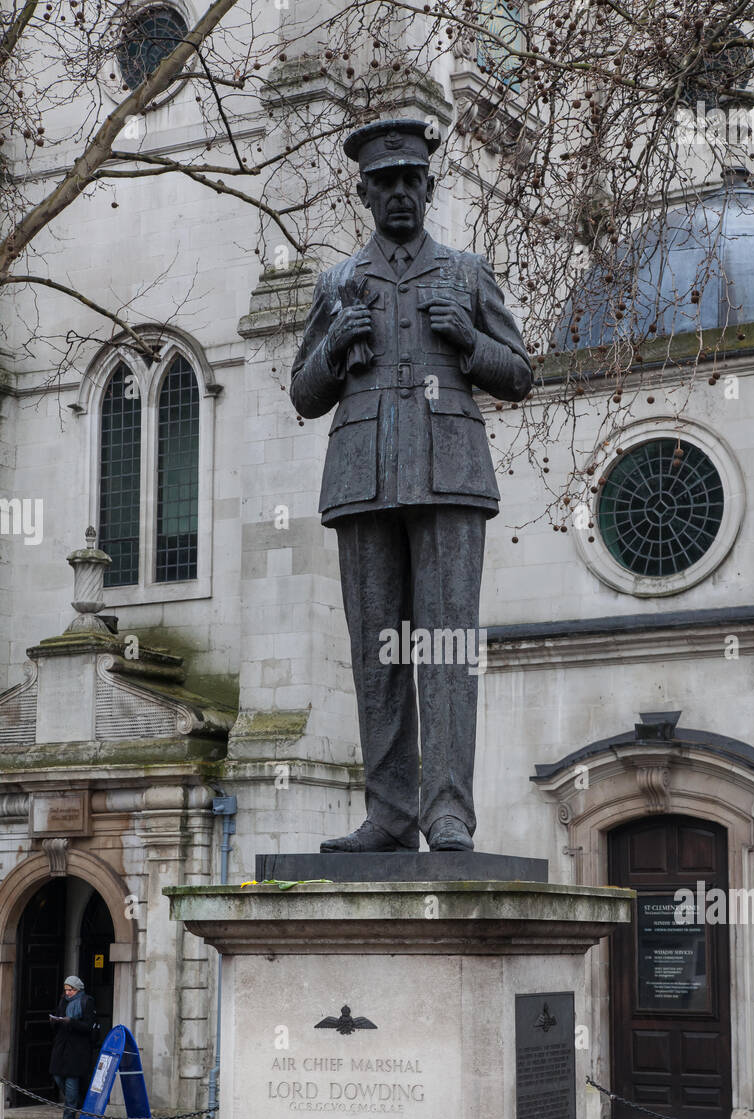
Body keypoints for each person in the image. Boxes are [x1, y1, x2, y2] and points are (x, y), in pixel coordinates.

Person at [290, 118, 532, 854]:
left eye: (410, 180)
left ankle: (448, 812)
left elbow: (520, 375)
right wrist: (333, 346)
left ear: (429, 187)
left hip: (450, 477)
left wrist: (469, 339)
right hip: (362, 484)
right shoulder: (336, 284)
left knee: (447, 649)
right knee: (377, 657)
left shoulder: (467, 273)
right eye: (383, 182)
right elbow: (303, 394)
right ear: (364, 193)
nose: (398, 193)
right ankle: (389, 813)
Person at [49, 975, 96, 1119]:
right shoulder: (63, 1001)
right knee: (57, 1076)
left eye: (70, 990)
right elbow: (58, 1016)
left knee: (71, 1081)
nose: (67, 992)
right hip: (61, 1045)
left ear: (78, 989)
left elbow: (88, 1026)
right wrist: (54, 1021)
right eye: (66, 989)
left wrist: (72, 1022)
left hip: (77, 1048)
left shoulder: (87, 1001)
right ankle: (77, 1102)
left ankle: (68, 1116)